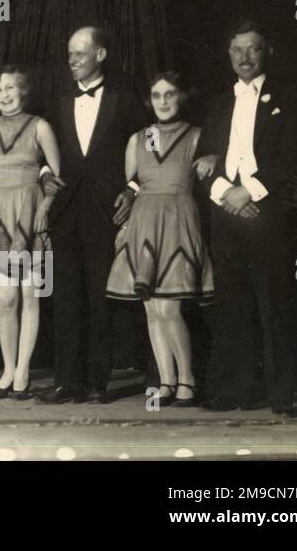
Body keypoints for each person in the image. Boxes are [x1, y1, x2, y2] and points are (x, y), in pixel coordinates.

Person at [198, 22, 297, 415]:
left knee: (273, 303)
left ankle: (281, 396)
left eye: (252, 49)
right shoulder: (218, 102)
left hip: (267, 212)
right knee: (231, 304)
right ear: (229, 55)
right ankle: (235, 392)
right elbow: (205, 160)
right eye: (237, 50)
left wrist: (250, 191)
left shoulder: (286, 98)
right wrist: (229, 195)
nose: (244, 58)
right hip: (226, 214)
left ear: (266, 52)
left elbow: (292, 158)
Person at [39, 25, 144, 405]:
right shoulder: (57, 99)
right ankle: (67, 383)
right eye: (69, 53)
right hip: (66, 210)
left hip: (106, 210)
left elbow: (147, 145)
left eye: (79, 53)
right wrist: (44, 174)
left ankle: (98, 382)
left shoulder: (124, 98)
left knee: (102, 297)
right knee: (66, 297)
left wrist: (133, 191)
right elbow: (39, 149)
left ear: (100, 55)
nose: (72, 60)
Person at [106, 71, 214, 408]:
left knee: (170, 308)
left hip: (179, 219)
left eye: (169, 94)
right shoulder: (139, 138)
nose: (163, 101)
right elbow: (134, 184)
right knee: (152, 308)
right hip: (144, 222)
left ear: (181, 97)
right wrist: (124, 227)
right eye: (156, 95)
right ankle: (166, 382)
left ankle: (188, 379)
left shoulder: (197, 136)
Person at [0, 66, 60, 400]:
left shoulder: (40, 126)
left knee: (30, 295)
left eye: (11, 88)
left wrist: (44, 210)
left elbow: (55, 178)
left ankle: (23, 372)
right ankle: (7, 369)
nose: (4, 95)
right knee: (6, 299)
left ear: (23, 91)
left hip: (29, 212)